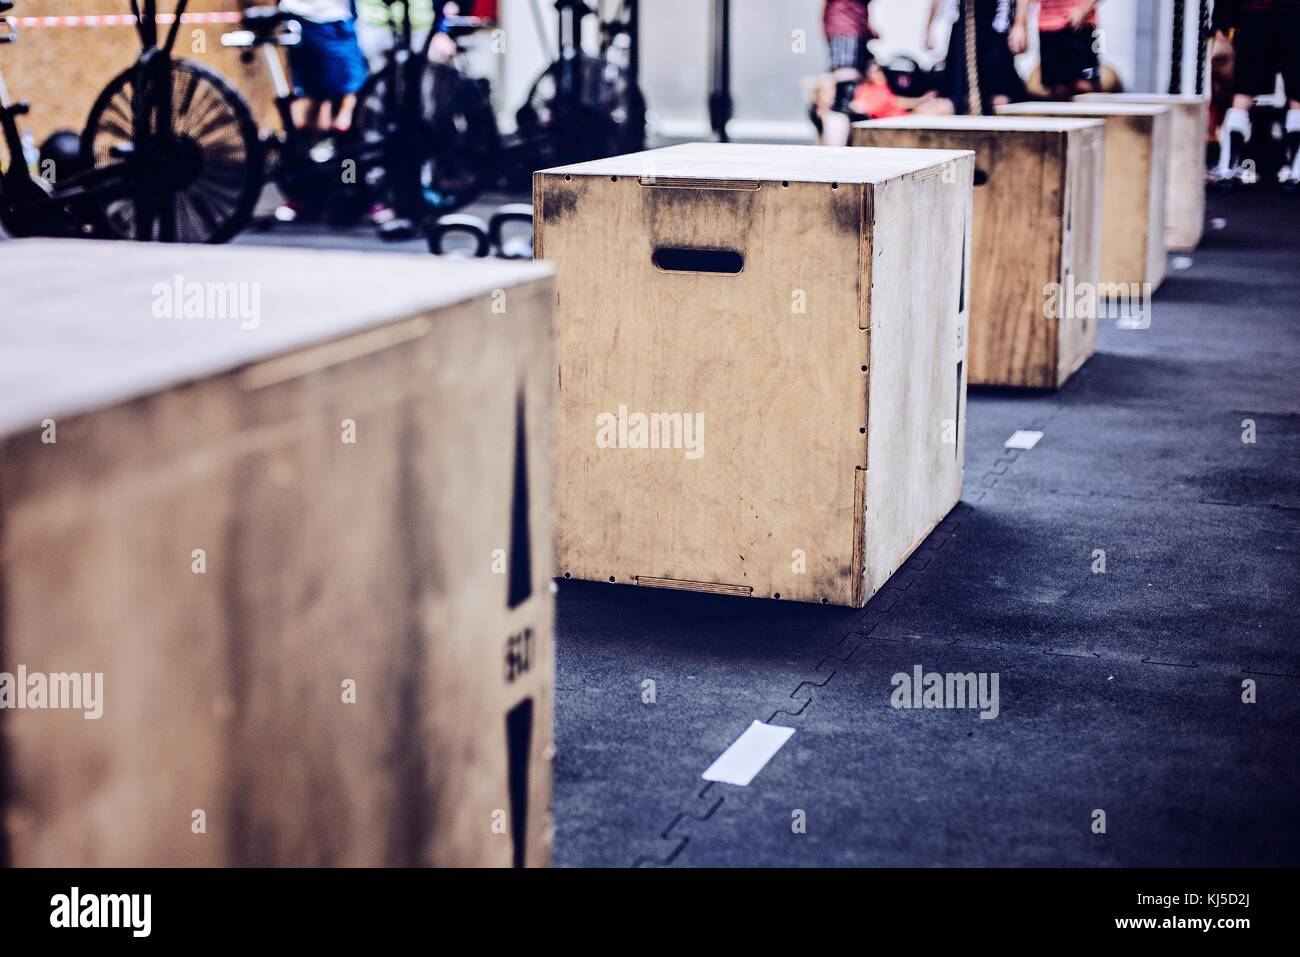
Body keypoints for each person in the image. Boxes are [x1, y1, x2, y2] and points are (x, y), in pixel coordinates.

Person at [1212, 0, 1300, 185]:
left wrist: (1221, 24)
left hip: (1255, 21)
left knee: (1243, 95)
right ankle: (1295, 171)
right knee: (1297, 98)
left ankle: (1226, 169)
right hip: (1295, 20)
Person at [280, 0, 370, 136]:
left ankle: (307, 142)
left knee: (314, 90)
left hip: (304, 15)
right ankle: (315, 139)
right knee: (351, 83)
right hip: (325, 17)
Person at [926, 0, 1026, 115]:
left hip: (997, 20)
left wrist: (1020, 24)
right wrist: (929, 27)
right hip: (964, 19)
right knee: (958, 95)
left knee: (999, 96)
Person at [1013, 0, 1104, 100]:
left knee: (1086, 86)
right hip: (1048, 26)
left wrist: (1084, 9)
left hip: (1081, 24)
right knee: (1057, 89)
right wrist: (1019, 25)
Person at [822, 0, 877, 146]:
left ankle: (839, 150)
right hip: (845, 27)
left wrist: (867, 25)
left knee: (852, 96)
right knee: (844, 96)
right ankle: (834, 154)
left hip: (852, 26)